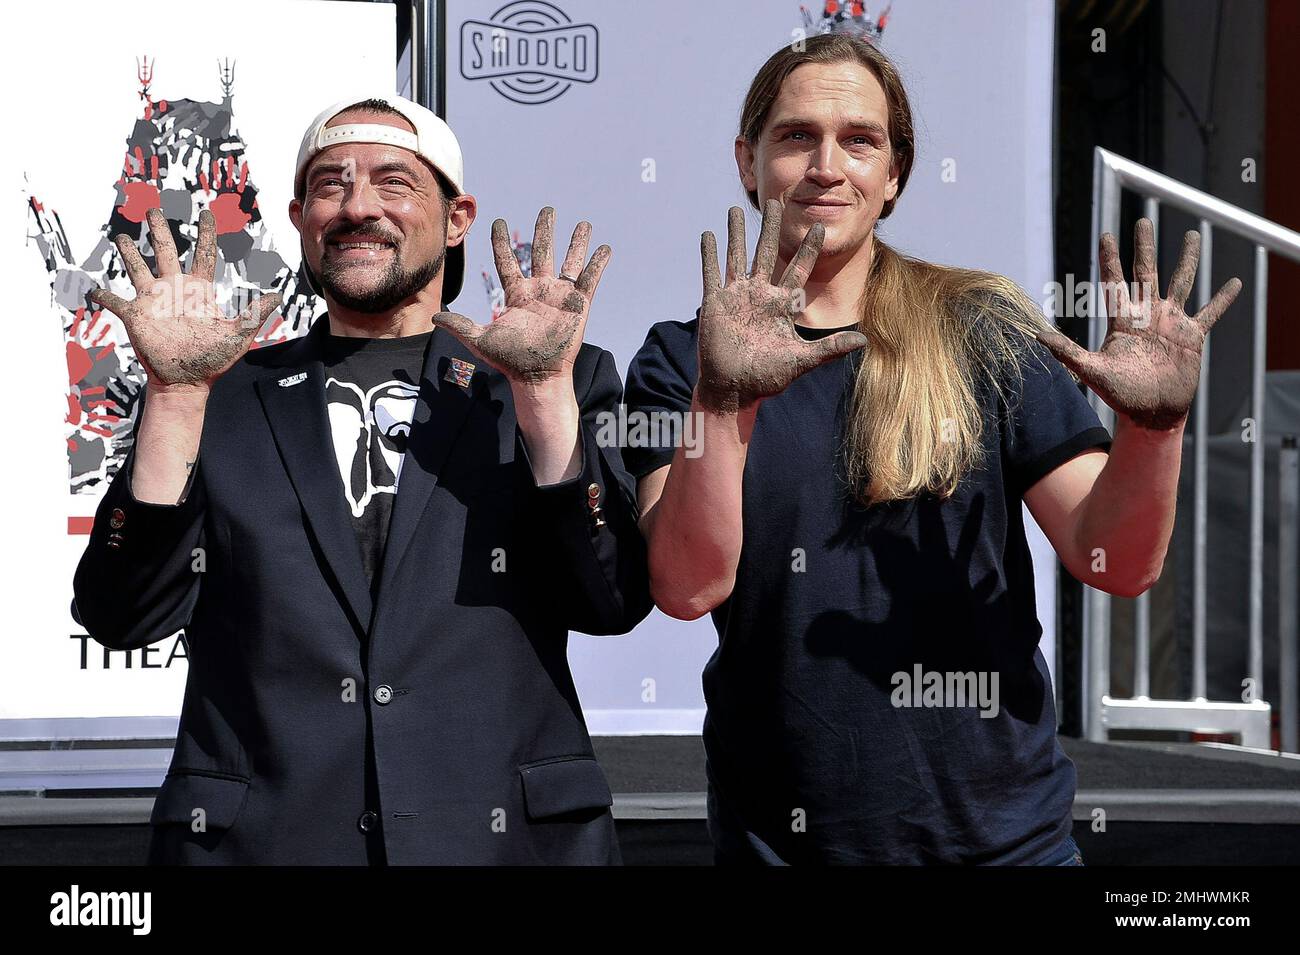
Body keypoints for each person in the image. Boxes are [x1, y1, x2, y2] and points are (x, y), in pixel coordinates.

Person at [623, 35, 1240, 864]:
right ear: (748, 160)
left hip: (1005, 846)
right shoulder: (679, 357)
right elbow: (689, 585)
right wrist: (725, 399)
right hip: (783, 847)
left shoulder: (982, 328)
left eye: (860, 140)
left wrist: (1155, 430)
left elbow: (1117, 562)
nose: (826, 166)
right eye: (797, 136)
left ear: (895, 175)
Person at [72, 93, 651, 865]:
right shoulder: (218, 394)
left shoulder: (546, 379)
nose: (358, 206)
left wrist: (543, 394)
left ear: (456, 218)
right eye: (331, 185)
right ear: (299, 217)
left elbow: (610, 600)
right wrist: (174, 400)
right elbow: (122, 615)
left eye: (395, 182)